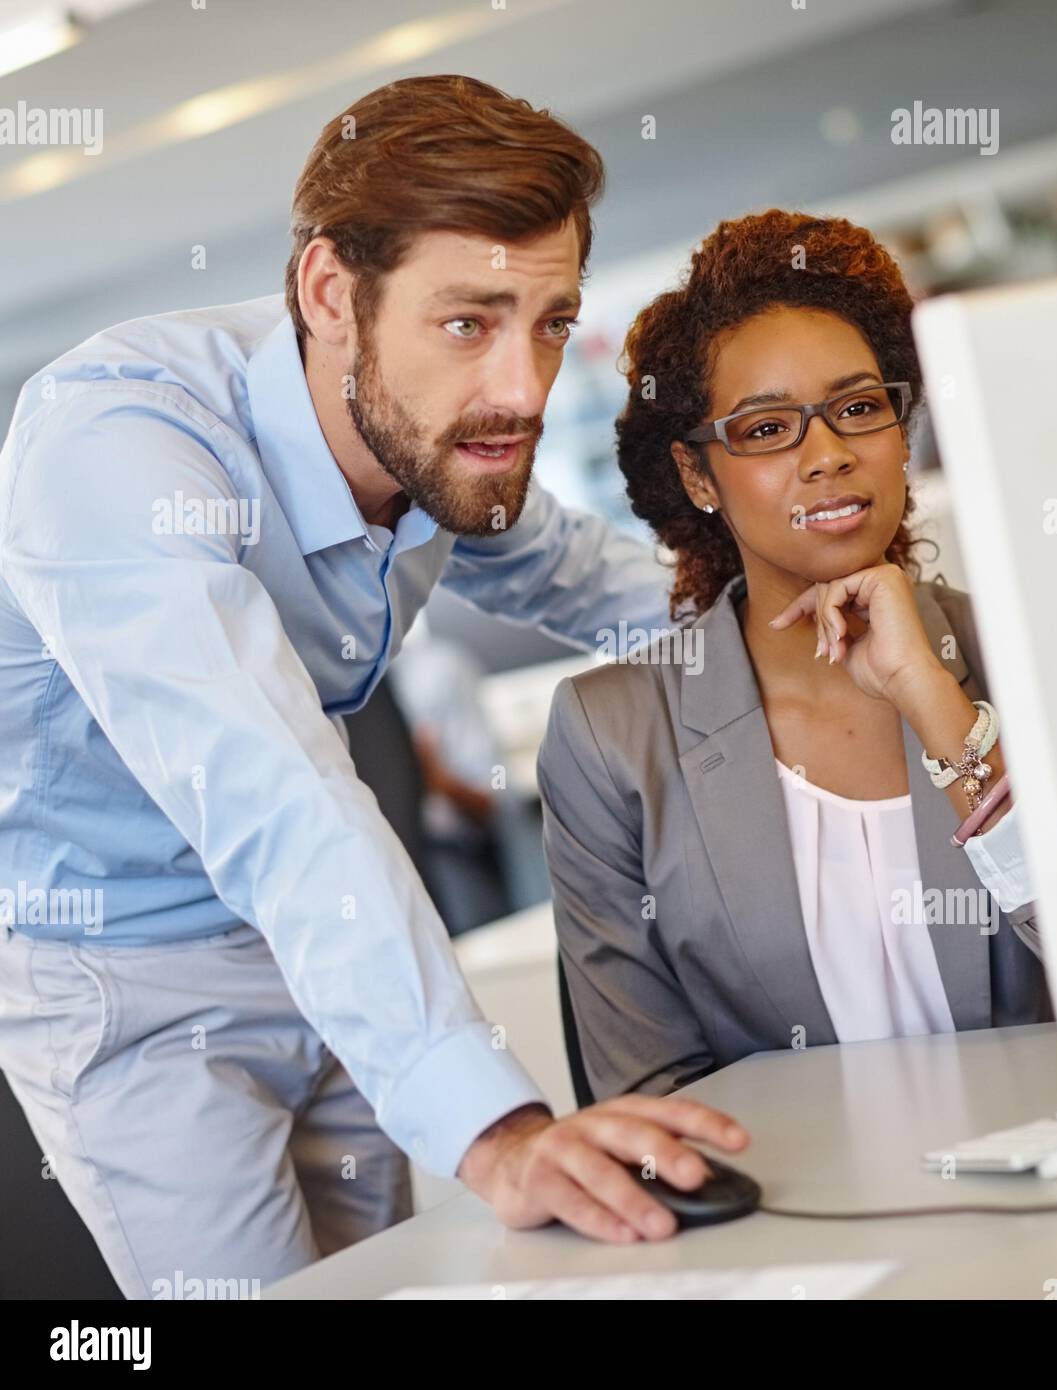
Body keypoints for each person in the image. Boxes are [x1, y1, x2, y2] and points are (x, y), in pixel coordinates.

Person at [0, 75, 749, 1298]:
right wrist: (495, 1130)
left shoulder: (430, 432)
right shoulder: (118, 446)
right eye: (469, 321)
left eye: (552, 321)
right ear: (330, 294)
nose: (521, 385)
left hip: (322, 934)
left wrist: (796, 618)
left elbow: (578, 574)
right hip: (125, 972)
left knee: (377, 1283)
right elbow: (271, 788)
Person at [537, 209, 1051, 1101]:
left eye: (858, 409)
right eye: (768, 429)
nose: (828, 456)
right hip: (803, 1217)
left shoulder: (1029, 651)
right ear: (700, 477)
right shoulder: (611, 735)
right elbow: (648, 1099)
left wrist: (935, 703)